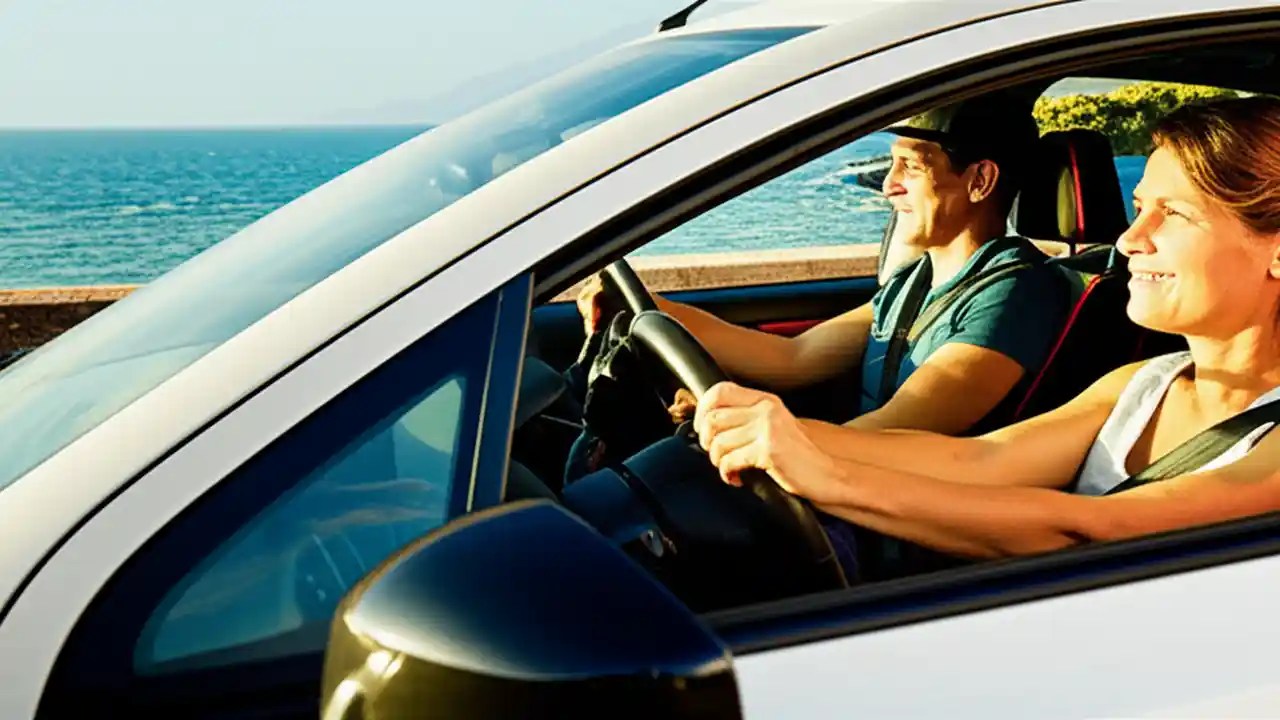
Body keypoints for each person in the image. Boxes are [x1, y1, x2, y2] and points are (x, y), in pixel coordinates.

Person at [691, 96, 1280, 575]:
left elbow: (1086, 529)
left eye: (1173, 214)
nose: (1130, 240)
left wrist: (826, 477)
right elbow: (976, 458)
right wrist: (769, 431)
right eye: (1139, 208)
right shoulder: (1144, 383)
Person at [574, 92, 1068, 450]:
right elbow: (792, 356)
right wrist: (648, 310)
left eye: (909, 168)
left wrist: (750, 431)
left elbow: (895, 431)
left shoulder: (1015, 294)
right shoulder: (916, 282)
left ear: (980, 179)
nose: (887, 187)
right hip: (845, 483)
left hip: (901, 537)